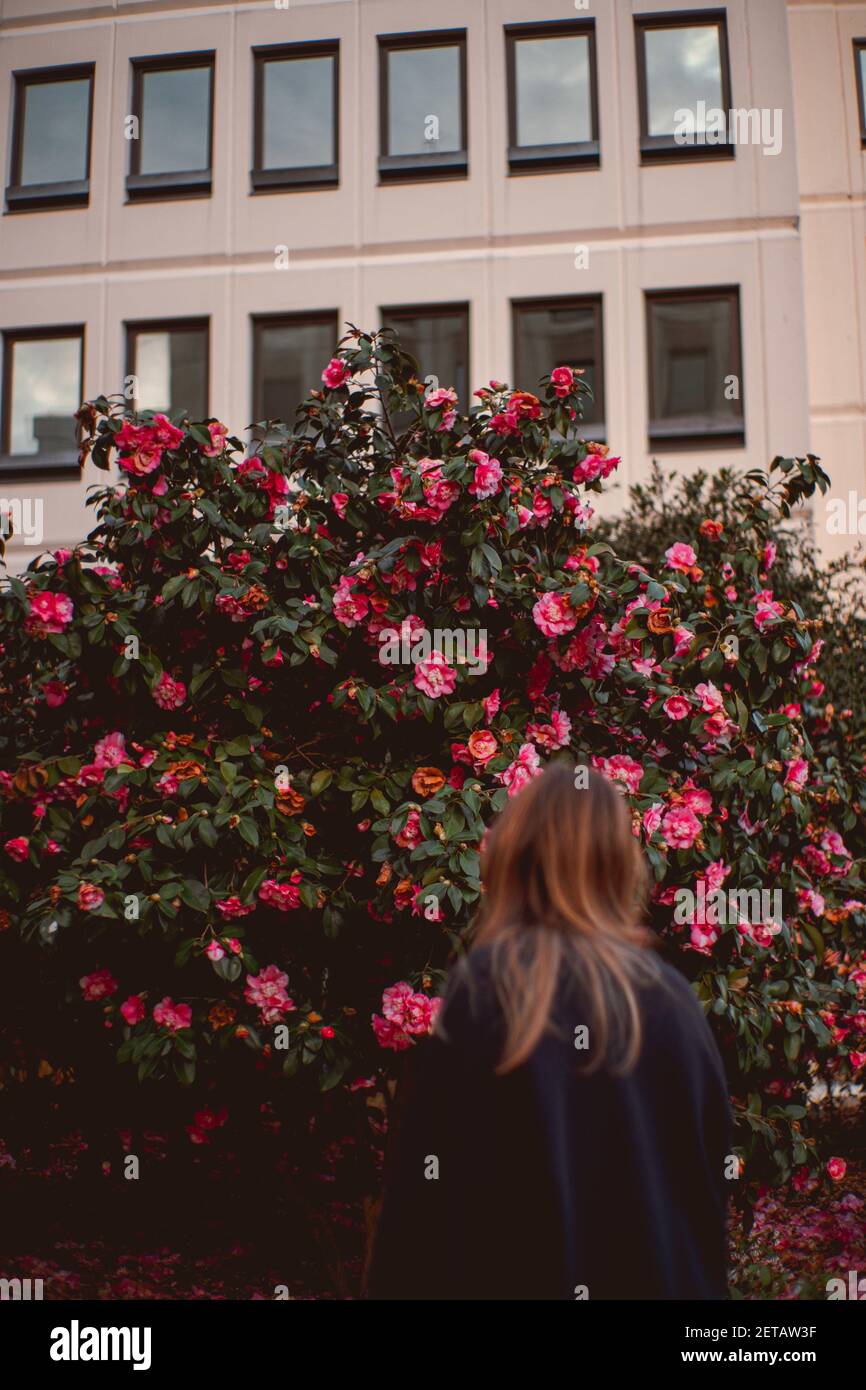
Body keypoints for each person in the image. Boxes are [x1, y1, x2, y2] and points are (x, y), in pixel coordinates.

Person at [367, 761, 732, 1300]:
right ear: (619, 863)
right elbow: (706, 1197)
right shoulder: (672, 1001)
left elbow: (421, 1212)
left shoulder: (487, 994)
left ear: (514, 856)